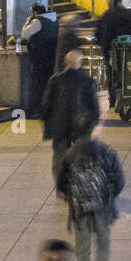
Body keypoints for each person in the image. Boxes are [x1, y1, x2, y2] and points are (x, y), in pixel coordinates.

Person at [56, 121, 125, 261]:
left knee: (83, 249)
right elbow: (119, 181)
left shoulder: (70, 155)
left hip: (80, 210)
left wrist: (72, 198)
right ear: (94, 130)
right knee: (103, 243)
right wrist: (110, 196)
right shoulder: (107, 152)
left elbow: (61, 184)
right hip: (102, 207)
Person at [40, 49, 99, 187]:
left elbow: (46, 104)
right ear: (79, 63)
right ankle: (79, 184)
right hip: (80, 126)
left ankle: (61, 186)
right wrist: (94, 123)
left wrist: (46, 121)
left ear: (66, 63)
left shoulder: (55, 80)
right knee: (81, 155)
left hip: (59, 126)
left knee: (59, 156)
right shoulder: (87, 81)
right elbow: (94, 106)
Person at [21, 4, 59, 118]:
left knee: (37, 84)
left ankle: (36, 109)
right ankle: (48, 108)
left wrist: (28, 21)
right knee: (47, 83)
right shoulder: (53, 20)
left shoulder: (37, 22)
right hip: (50, 57)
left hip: (39, 57)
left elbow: (24, 35)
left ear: (34, 12)